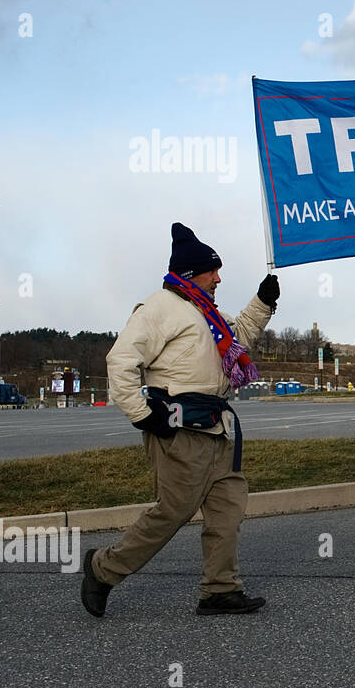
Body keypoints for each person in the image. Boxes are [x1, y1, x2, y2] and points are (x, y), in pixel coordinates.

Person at [80, 223, 280, 617]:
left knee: (227, 510)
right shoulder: (159, 309)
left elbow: (236, 337)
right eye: (212, 271)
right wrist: (143, 416)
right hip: (177, 428)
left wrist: (262, 301)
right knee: (173, 511)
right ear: (190, 273)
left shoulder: (205, 313)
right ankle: (102, 570)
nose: (219, 278)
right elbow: (120, 361)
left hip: (218, 428)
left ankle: (220, 590)